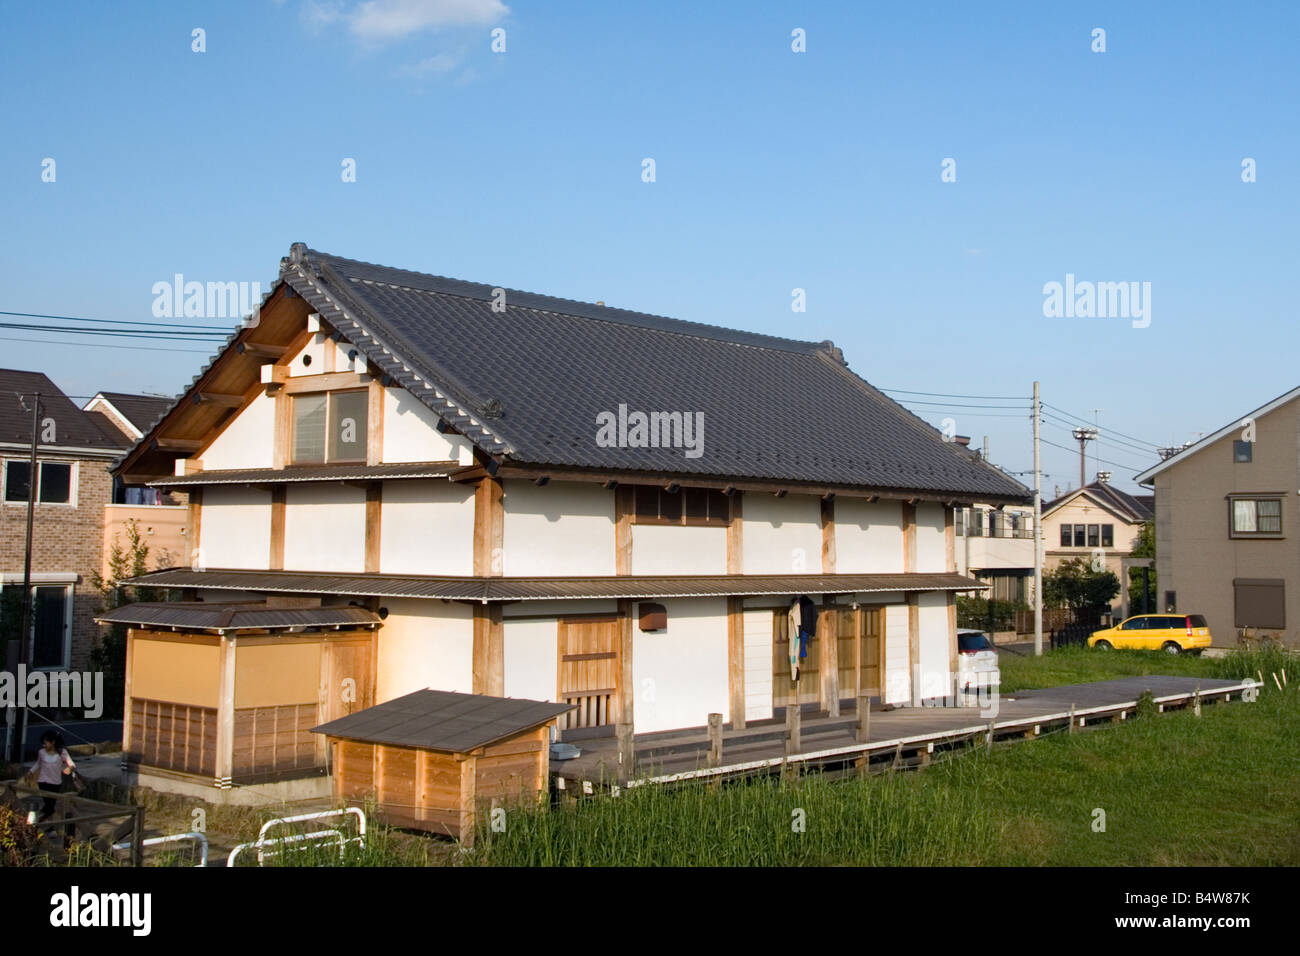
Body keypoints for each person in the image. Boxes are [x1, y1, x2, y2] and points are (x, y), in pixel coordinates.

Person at [25, 731, 75, 822]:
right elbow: (38, 763)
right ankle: (38, 822)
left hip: (55, 783)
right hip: (43, 782)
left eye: (46, 743)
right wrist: (30, 771)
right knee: (49, 806)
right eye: (43, 744)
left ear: (53, 742)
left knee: (50, 806)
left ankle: (41, 823)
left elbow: (72, 764)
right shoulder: (41, 752)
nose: (44, 746)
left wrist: (70, 768)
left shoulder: (62, 752)